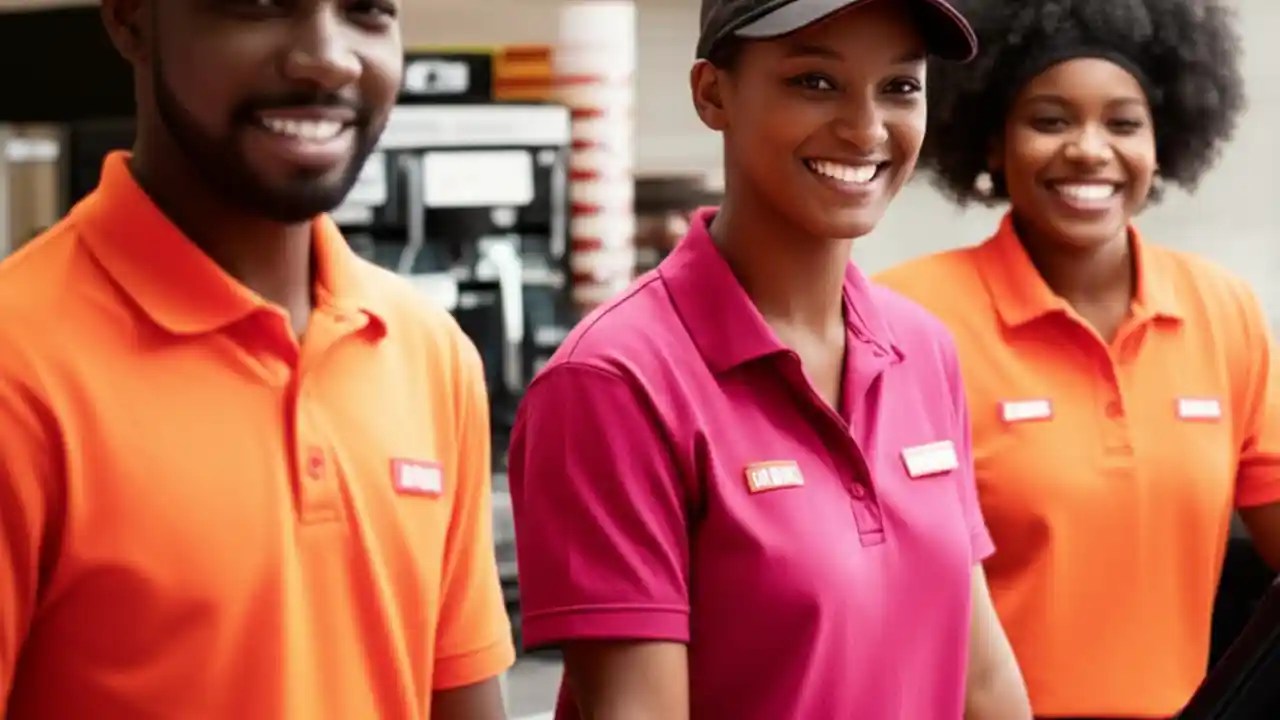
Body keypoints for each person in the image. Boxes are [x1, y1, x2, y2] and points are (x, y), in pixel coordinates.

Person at [507, 0, 1032, 718]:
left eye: (899, 87)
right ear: (712, 93)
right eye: (815, 81)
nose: (866, 129)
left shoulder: (922, 350)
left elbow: (984, 682)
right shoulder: (613, 382)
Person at [0, 1, 513, 718]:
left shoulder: (429, 354)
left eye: (367, 9)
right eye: (260, 4)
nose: (328, 57)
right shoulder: (19, 364)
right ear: (130, 18)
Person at [875, 0, 1280, 717]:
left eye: (1123, 123)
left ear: (1162, 143)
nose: (1090, 150)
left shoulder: (1225, 311)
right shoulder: (906, 316)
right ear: (993, 142)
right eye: (1050, 121)